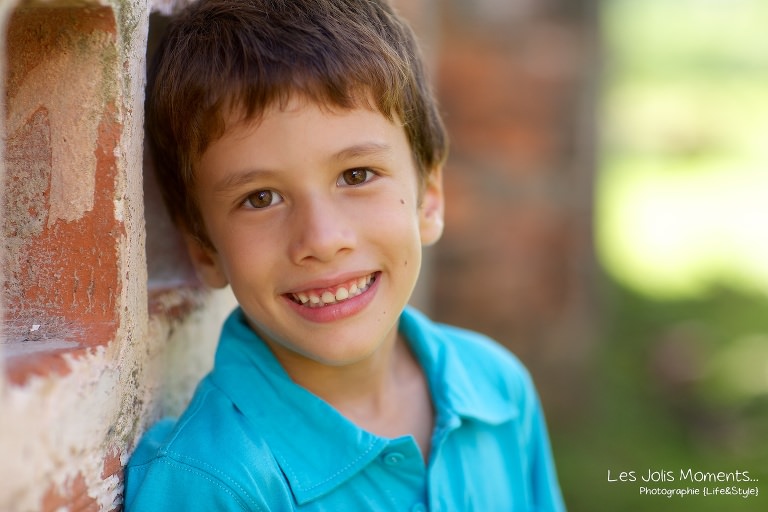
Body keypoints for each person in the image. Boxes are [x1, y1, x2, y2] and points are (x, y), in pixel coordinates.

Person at [125, 0, 566, 510]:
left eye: (356, 175)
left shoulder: (497, 392)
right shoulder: (211, 483)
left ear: (429, 198)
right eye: (260, 198)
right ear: (204, 249)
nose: (322, 238)